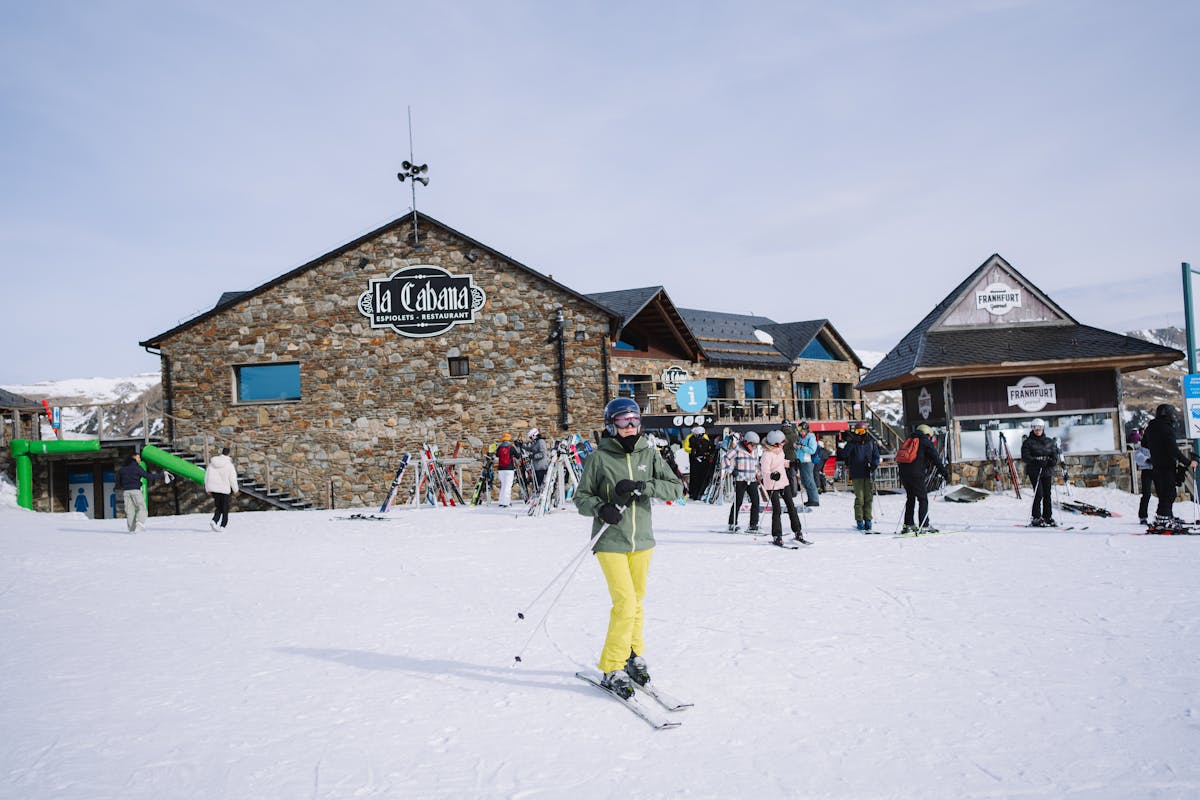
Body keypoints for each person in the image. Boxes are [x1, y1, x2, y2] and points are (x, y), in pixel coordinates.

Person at [573, 398, 683, 698]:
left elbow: (675, 487)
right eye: (623, 421)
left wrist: (642, 487)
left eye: (634, 419)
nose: (630, 425)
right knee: (625, 604)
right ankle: (612, 666)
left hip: (642, 540)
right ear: (612, 424)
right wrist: (601, 508)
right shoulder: (599, 458)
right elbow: (581, 497)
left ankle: (632, 654)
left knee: (637, 602)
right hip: (610, 541)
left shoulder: (650, 452)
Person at [1142, 404, 1197, 531]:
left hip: (1155, 465)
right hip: (1166, 465)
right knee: (1169, 493)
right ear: (1167, 414)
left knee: (1163, 493)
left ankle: (1164, 517)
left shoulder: (1151, 427)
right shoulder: (1167, 428)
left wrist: (1156, 451)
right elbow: (1173, 449)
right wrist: (1188, 462)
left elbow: (1144, 444)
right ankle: (1164, 519)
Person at [898, 424, 950, 533]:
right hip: (916, 475)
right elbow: (936, 458)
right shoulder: (925, 442)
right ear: (927, 434)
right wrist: (945, 473)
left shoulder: (909, 440)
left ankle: (908, 525)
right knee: (923, 499)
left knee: (910, 498)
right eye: (930, 436)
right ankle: (924, 525)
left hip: (904, 475)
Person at [761, 430, 807, 545]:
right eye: (781, 442)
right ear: (774, 443)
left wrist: (791, 463)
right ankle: (777, 535)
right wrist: (771, 475)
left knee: (791, 506)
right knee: (777, 509)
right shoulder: (766, 454)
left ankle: (797, 531)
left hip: (783, 482)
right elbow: (765, 470)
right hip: (772, 484)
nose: (783, 444)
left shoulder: (780, 451)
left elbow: (782, 463)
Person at [114, 452, 170, 533]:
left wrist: (121, 487)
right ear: (133, 457)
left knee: (130, 511)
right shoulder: (137, 468)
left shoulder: (122, 469)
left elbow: (118, 482)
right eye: (138, 457)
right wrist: (162, 474)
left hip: (126, 492)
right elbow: (149, 477)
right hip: (136, 491)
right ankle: (140, 524)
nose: (140, 459)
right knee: (142, 508)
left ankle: (131, 530)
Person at [841, 423, 881, 532]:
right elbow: (844, 454)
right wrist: (850, 444)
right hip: (856, 473)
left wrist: (874, 465)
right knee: (860, 498)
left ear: (866, 431)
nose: (859, 434)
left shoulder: (871, 442)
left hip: (868, 473)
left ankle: (868, 520)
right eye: (857, 432)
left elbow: (876, 456)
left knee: (868, 498)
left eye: (861, 432)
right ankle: (859, 520)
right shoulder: (852, 443)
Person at [1020, 419, 1059, 527]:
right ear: (1033, 429)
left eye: (1040, 429)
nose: (1038, 431)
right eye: (1036, 429)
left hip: (1047, 470)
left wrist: (1052, 461)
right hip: (1035, 470)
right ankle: (1036, 517)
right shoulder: (1028, 442)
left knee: (1047, 494)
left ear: (1043, 429)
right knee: (1039, 493)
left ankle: (1047, 516)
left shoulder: (1049, 441)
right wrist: (1036, 461)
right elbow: (1025, 456)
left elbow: (1054, 454)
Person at [725, 432, 762, 532]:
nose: (753, 447)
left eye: (755, 445)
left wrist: (758, 474)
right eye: (752, 445)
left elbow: (756, 464)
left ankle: (753, 524)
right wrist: (731, 470)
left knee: (756, 501)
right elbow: (727, 457)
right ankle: (732, 523)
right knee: (738, 501)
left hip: (752, 479)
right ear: (746, 442)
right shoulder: (738, 448)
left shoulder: (754, 451)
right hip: (740, 479)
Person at [204, 446, 240, 531]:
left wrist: (207, 488)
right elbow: (232, 479)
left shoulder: (212, 463)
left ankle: (214, 520)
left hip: (214, 489)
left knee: (218, 507)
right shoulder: (229, 465)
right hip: (224, 490)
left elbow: (207, 476)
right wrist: (236, 490)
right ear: (229, 454)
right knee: (225, 508)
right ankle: (222, 526)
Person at [684, 426, 716, 500]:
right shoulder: (690, 438)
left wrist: (710, 453)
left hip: (704, 461)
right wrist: (692, 451)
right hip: (695, 460)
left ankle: (700, 492)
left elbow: (709, 447)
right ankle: (693, 493)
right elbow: (686, 447)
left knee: (703, 478)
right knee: (695, 477)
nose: (700, 436)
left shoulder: (705, 438)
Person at [795, 421, 820, 506]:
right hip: (801, 461)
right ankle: (811, 499)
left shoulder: (810, 438)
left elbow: (812, 450)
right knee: (805, 481)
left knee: (809, 481)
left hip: (807, 461)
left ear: (806, 430)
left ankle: (815, 500)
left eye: (802, 430)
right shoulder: (800, 438)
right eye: (800, 430)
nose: (801, 432)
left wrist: (802, 447)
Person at [1134, 433, 1154, 525]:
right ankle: (1143, 516)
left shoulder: (1158, 444)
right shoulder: (1142, 447)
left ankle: (1164, 513)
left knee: (1163, 493)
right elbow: (1137, 456)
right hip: (1146, 470)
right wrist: (1147, 460)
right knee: (1146, 494)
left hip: (1157, 469)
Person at [495, 433, 517, 507]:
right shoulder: (511, 447)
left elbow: (496, 455)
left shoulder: (500, 447)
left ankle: (501, 502)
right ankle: (506, 502)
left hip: (501, 469)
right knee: (508, 486)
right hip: (509, 469)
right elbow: (518, 455)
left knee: (503, 485)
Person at [779, 419, 799, 496]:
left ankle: (784, 492)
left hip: (781, 457)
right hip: (792, 457)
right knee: (792, 476)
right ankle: (793, 492)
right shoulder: (794, 435)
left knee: (783, 476)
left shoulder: (780, 435)